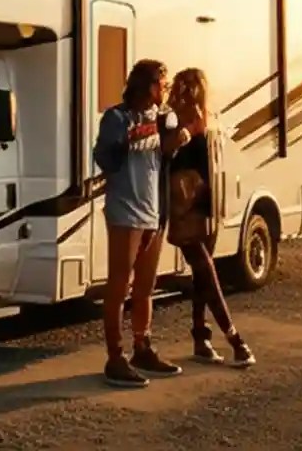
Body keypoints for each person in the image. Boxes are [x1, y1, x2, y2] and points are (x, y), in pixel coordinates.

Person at [92, 58, 193, 388]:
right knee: (119, 286)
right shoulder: (116, 118)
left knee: (146, 287)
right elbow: (104, 157)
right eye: (162, 85)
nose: (165, 91)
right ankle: (114, 356)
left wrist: (175, 142)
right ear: (148, 86)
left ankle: (142, 347)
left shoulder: (161, 118)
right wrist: (136, 135)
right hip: (125, 212)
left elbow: (159, 154)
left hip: (153, 212)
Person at [165, 67, 256, 368]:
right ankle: (235, 339)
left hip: (207, 207)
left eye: (195, 86)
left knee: (202, 276)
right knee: (207, 272)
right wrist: (185, 133)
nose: (193, 91)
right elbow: (167, 156)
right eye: (189, 86)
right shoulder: (175, 118)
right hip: (185, 210)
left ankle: (201, 339)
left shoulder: (207, 116)